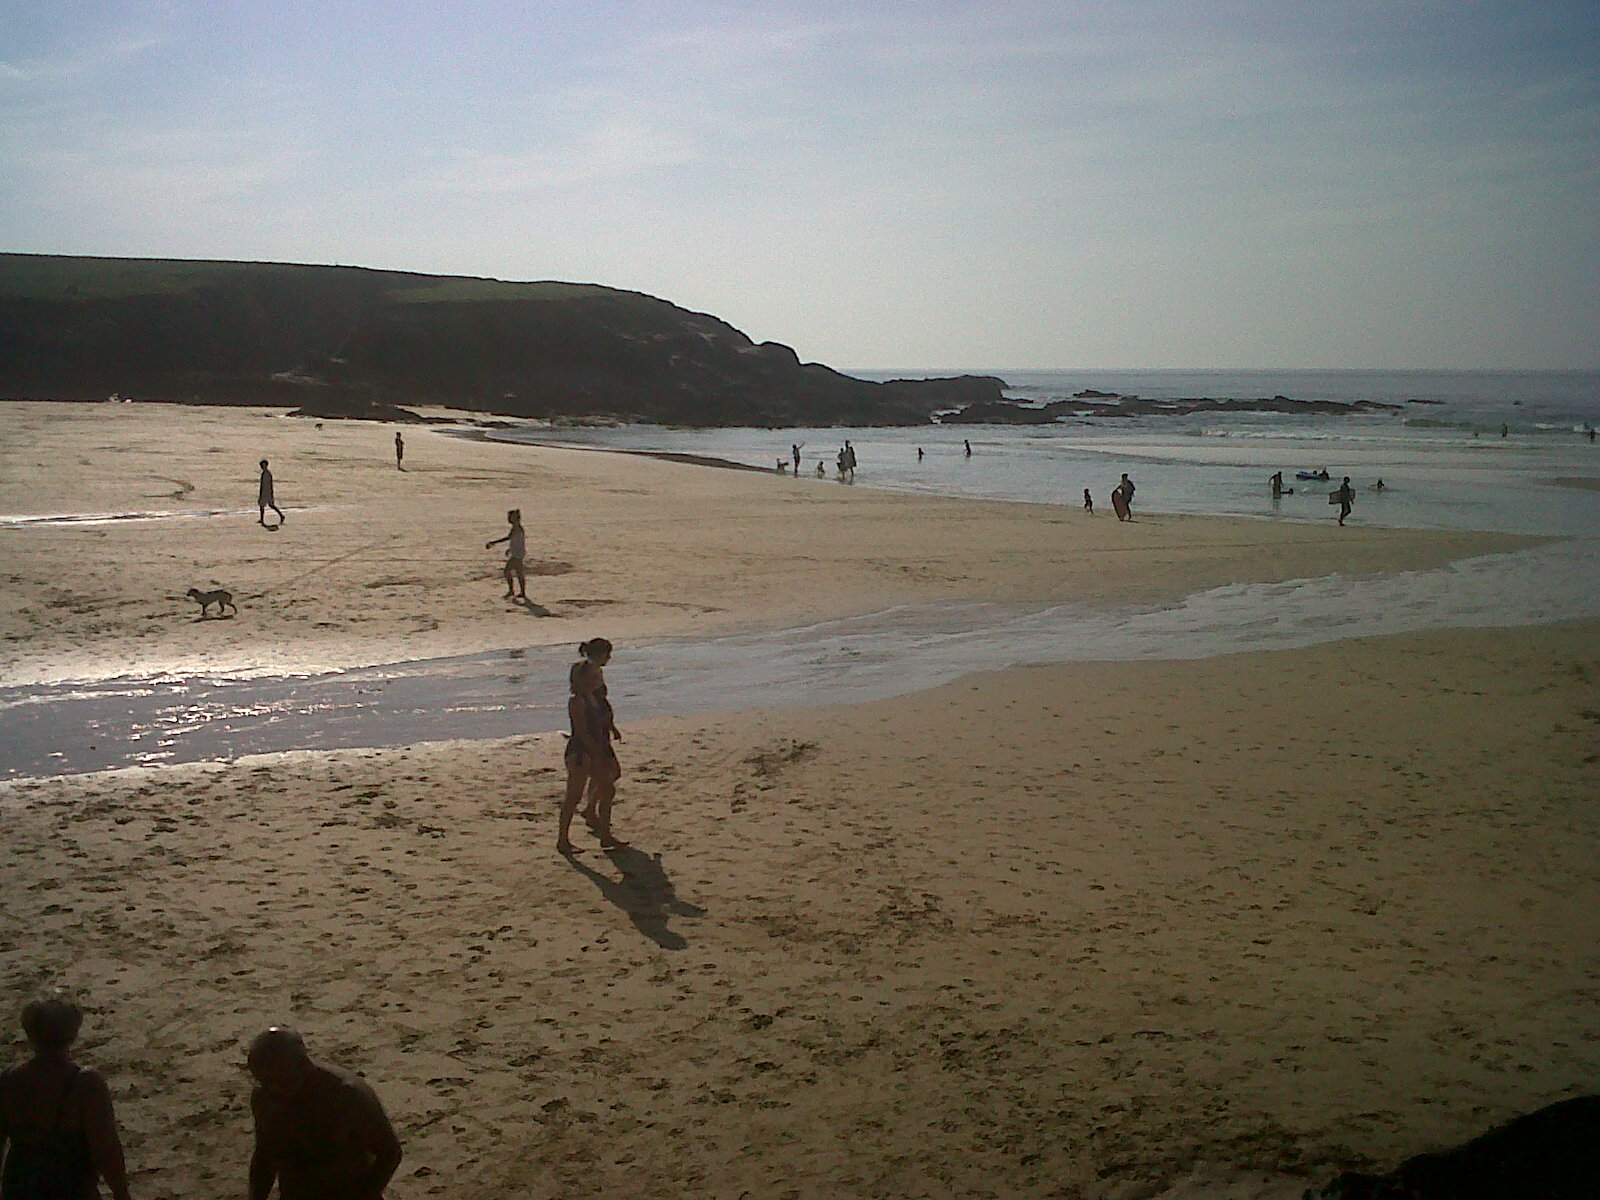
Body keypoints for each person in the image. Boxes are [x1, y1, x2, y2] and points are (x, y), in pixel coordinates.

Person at [0, 995, 134, 1200]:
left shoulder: (10, 1079)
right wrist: (121, 1193)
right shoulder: (86, 1083)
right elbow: (105, 1147)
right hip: (72, 1189)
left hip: (21, 1188)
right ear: (73, 1033)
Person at [247, 1027, 401, 1200]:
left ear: (303, 1065)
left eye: (278, 1081)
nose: (271, 1091)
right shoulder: (264, 1099)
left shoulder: (346, 1096)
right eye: (263, 1082)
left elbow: (389, 1152)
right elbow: (265, 1156)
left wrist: (366, 1196)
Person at [559, 638, 623, 853]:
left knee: (608, 788)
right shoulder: (578, 701)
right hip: (581, 753)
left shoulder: (594, 697)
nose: (600, 679)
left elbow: (602, 717)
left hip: (598, 747)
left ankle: (605, 835)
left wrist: (611, 730)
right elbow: (582, 733)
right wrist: (597, 754)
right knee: (573, 796)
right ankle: (563, 840)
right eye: (595, 677)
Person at [484, 509, 527, 601]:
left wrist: (493, 542)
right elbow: (516, 541)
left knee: (507, 571)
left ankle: (512, 591)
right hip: (518, 552)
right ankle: (522, 592)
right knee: (519, 572)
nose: (508, 519)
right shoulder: (518, 527)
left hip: (517, 554)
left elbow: (509, 538)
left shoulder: (516, 528)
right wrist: (510, 549)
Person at [258, 460, 284, 527]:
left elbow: (268, 484)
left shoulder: (267, 473)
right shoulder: (265, 473)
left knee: (267, 505)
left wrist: (269, 492)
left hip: (267, 492)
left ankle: (281, 515)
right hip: (265, 492)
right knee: (265, 506)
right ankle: (262, 519)